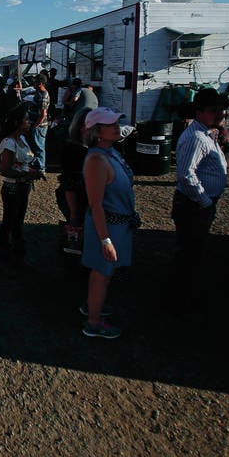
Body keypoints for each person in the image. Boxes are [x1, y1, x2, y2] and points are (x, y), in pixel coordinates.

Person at [169, 88, 229, 311]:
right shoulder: (195, 137)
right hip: (193, 205)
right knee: (188, 253)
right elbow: (186, 174)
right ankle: (180, 298)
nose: (220, 114)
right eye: (214, 110)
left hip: (197, 203)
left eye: (221, 109)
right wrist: (205, 201)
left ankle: (184, 293)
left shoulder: (206, 133)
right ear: (200, 112)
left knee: (193, 251)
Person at [80, 108, 138, 339]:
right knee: (101, 273)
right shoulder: (96, 159)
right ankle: (93, 321)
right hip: (107, 225)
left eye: (116, 122)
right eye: (110, 124)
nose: (116, 127)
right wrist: (106, 240)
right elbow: (96, 205)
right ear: (97, 132)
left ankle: (94, 305)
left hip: (117, 223)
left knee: (105, 272)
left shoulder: (110, 152)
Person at [0, 105, 44, 267]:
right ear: (18, 122)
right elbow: (5, 169)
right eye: (26, 119)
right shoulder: (9, 142)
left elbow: (23, 163)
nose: (29, 121)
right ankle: (11, 255)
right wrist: (28, 175)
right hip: (13, 188)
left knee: (16, 221)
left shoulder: (22, 139)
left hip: (23, 187)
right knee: (12, 222)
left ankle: (12, 254)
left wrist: (32, 170)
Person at [56, 108, 91, 255]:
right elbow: (69, 183)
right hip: (79, 200)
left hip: (87, 200)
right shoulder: (73, 149)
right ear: (83, 127)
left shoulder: (92, 147)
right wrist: (74, 212)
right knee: (78, 238)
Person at [28, 75, 51, 171]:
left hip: (40, 126)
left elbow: (43, 114)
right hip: (37, 124)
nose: (33, 84)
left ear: (40, 83)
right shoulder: (38, 93)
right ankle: (36, 165)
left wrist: (36, 125)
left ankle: (41, 168)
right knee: (36, 146)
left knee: (39, 147)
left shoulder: (43, 95)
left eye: (35, 82)